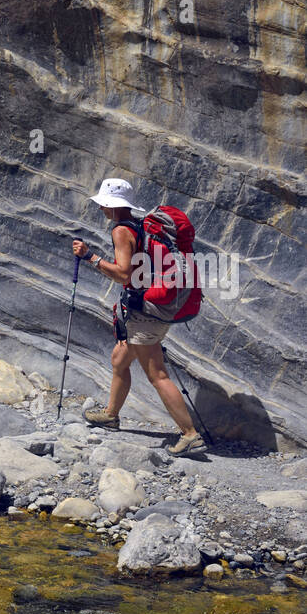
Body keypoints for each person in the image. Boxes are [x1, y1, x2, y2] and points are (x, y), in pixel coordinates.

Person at [71, 177, 205, 457]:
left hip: (147, 312)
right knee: (119, 359)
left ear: (112, 205)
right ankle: (111, 414)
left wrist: (90, 257)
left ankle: (190, 434)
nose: (101, 209)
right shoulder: (143, 224)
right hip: (153, 303)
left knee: (156, 374)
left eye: (103, 205)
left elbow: (123, 274)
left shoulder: (121, 231)